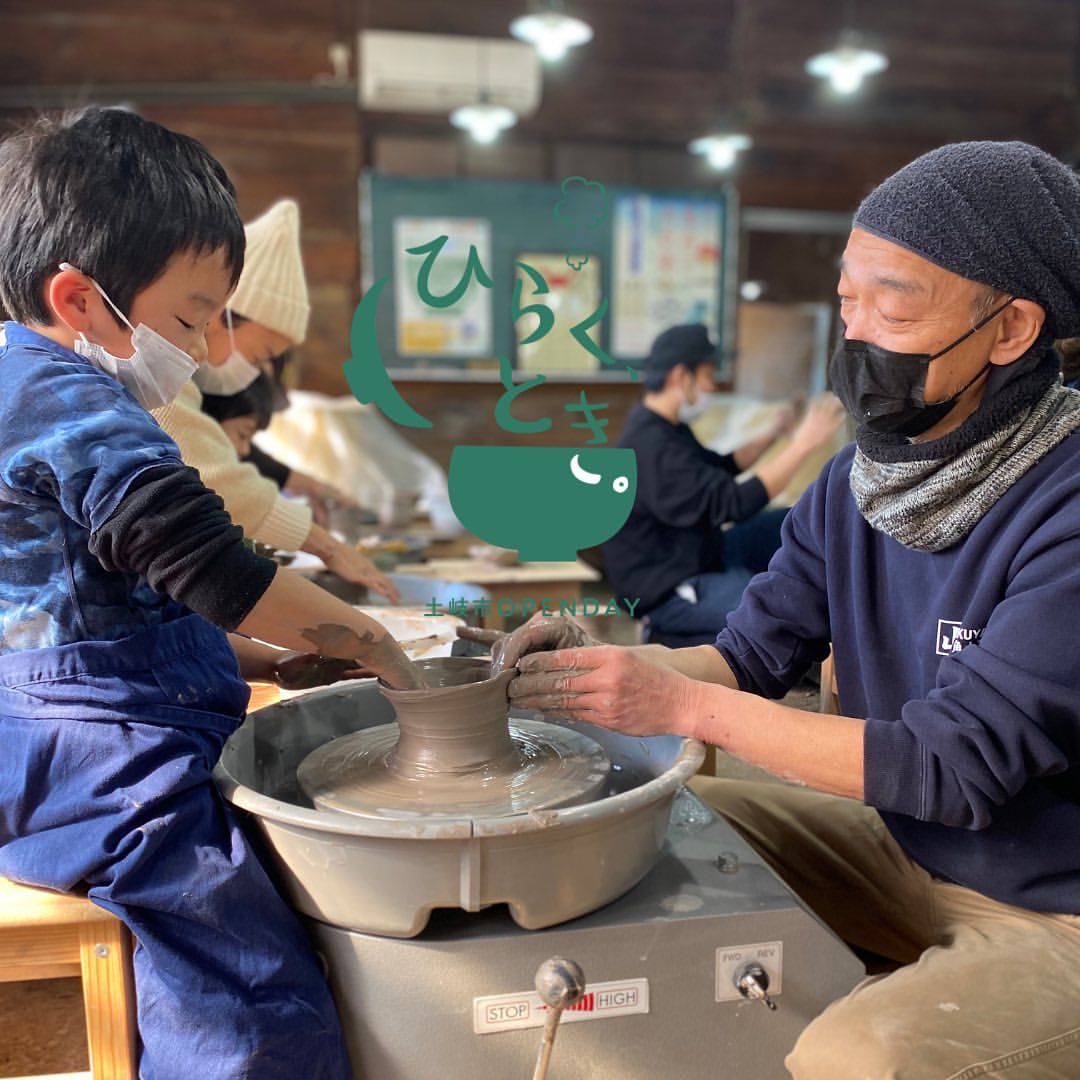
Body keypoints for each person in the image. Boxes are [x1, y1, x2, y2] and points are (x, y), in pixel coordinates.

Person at [471, 141, 1080, 1078]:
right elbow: (745, 659)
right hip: (905, 849)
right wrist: (589, 671)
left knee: (858, 1059)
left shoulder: (1064, 504)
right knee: (649, 823)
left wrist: (681, 708)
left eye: (896, 303)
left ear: (1010, 330)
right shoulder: (856, 486)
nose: (859, 332)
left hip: (1049, 902)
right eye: (848, 301)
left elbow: (956, 768)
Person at [0, 107, 421, 1078]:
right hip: (97, 774)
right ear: (78, 298)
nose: (201, 351)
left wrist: (280, 657)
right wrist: (379, 647)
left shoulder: (33, 383)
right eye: (191, 318)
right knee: (254, 989)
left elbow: (117, 610)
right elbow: (215, 569)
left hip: (86, 740)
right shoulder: (67, 401)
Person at [151, 198, 397, 600]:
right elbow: (217, 475)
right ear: (224, 315)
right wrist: (328, 548)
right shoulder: (158, 371)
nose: (259, 372)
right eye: (262, 355)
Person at [601, 323, 844, 644]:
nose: (712, 386)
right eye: (707, 374)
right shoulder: (650, 444)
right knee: (775, 613)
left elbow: (721, 467)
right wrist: (803, 444)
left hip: (701, 551)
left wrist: (774, 432)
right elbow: (734, 503)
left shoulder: (664, 427)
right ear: (680, 376)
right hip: (671, 585)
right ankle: (659, 631)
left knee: (793, 521)